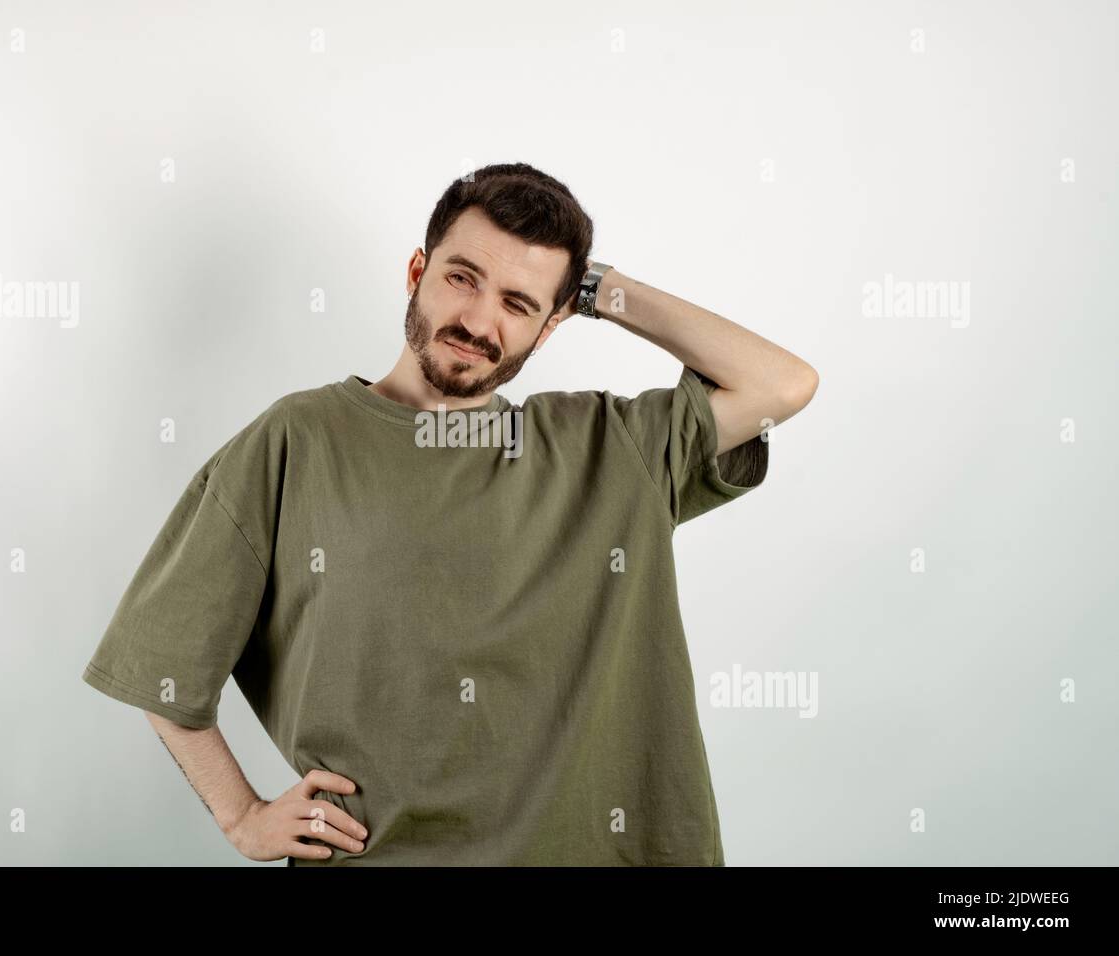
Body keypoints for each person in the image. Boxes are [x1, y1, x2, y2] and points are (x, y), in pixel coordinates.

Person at [81, 162, 818, 866]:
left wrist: (598, 288)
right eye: (462, 277)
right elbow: (164, 663)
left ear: (551, 326)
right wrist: (242, 817)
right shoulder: (296, 441)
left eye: (518, 303)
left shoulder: (607, 447)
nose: (477, 319)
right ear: (417, 272)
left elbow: (781, 383)